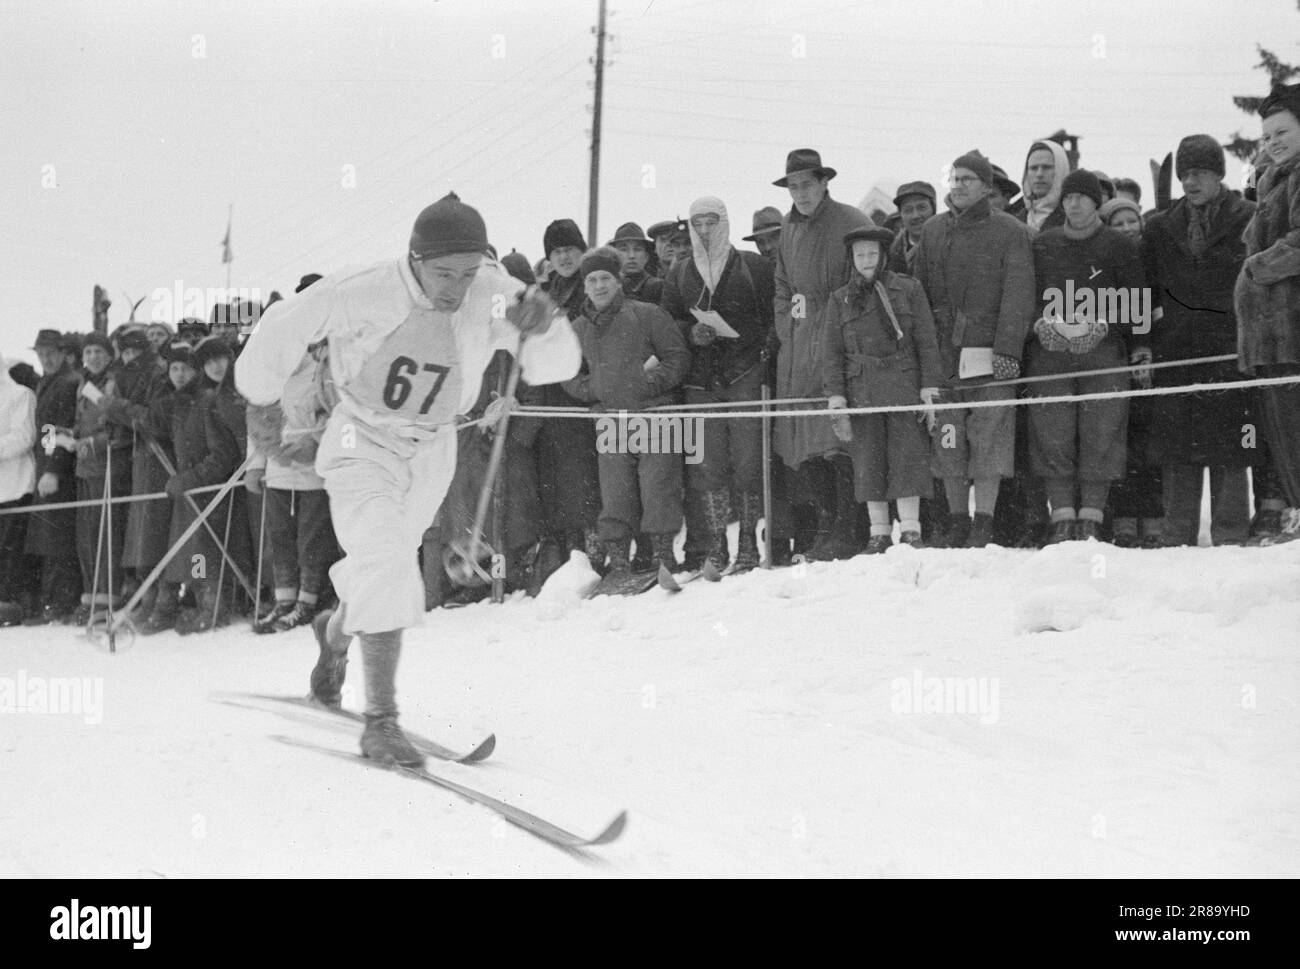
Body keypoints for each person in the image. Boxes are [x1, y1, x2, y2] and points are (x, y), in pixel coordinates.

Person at [236, 192, 579, 767]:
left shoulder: (491, 292)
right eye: (443, 273)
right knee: (389, 560)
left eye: (467, 273)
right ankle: (382, 722)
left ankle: (337, 632)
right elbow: (284, 322)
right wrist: (261, 398)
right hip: (360, 439)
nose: (455, 287)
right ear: (415, 259)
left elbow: (558, 363)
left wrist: (544, 326)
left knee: (382, 565)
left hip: (433, 445)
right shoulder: (365, 287)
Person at [912, 149, 1036, 548]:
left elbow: (1019, 295)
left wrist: (1008, 350)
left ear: (986, 186)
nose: (959, 185)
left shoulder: (1010, 231)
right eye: (955, 178)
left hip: (990, 357)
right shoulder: (932, 231)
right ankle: (956, 521)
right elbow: (919, 295)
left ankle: (984, 522)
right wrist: (928, 353)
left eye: (969, 179)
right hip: (945, 356)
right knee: (948, 438)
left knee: (989, 438)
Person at [1145, 134, 1258, 546]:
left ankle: (1230, 532)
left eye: (1200, 173)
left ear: (1218, 174)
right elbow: (1146, 290)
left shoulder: (1247, 217)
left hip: (1230, 346)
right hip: (1176, 349)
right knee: (1177, 448)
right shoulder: (1159, 228)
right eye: (1185, 174)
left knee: (1231, 445)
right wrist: (1145, 341)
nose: (1191, 182)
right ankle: (1177, 535)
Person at [1026, 170, 1146, 542]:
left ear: (1097, 202)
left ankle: (1091, 515)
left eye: (1081, 197)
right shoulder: (1044, 245)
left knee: (1103, 429)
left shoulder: (1118, 246)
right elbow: (1027, 296)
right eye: (1068, 198)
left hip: (1103, 351)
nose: (1073, 204)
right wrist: (1040, 325)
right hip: (1052, 352)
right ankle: (1061, 514)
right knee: (1051, 431)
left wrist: (1107, 327)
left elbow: (1138, 303)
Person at [661, 196, 775, 572]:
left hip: (745, 374)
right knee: (706, 466)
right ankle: (715, 547)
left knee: (747, 462)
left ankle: (747, 544)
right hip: (700, 382)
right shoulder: (679, 273)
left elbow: (772, 317)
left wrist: (753, 343)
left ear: (725, 222)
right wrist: (691, 332)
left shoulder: (752, 266)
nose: (706, 231)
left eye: (713, 222)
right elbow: (667, 325)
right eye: (699, 224)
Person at [561, 247, 689, 580]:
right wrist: (595, 390)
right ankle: (618, 559)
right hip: (611, 418)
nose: (599, 286)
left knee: (658, 486)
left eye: (606, 278)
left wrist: (649, 383)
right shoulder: (577, 329)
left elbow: (677, 358)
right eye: (592, 280)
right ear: (585, 286)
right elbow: (569, 374)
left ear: (618, 282)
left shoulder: (647, 314)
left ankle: (663, 554)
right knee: (615, 492)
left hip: (654, 414)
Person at [772, 148, 871, 560]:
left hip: (839, 339)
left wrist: (838, 328)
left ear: (824, 182)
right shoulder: (787, 230)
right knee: (806, 439)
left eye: (807, 184)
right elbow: (783, 287)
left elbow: (866, 279)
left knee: (840, 438)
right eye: (793, 186)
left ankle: (852, 527)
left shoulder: (850, 222)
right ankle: (827, 526)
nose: (800, 193)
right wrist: (792, 326)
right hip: (799, 347)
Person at [824, 226, 942, 552]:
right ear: (851, 258)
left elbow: (927, 343)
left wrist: (929, 390)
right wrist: (837, 398)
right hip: (862, 390)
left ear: (884, 255)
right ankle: (878, 532)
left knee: (907, 457)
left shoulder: (908, 289)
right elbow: (831, 354)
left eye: (872, 254)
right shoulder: (839, 299)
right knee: (868, 461)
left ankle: (911, 530)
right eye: (860, 254)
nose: (866, 260)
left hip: (904, 383)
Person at [1235, 85, 1300, 544]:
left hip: (1293, 331)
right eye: (1267, 135)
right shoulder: (1273, 179)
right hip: (1271, 337)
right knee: (1285, 440)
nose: (1273, 141)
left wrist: (1257, 268)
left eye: (1283, 131)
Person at [164, 336, 254, 632]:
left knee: (211, 548)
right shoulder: (193, 400)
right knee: (198, 550)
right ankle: (203, 602)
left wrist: (190, 478)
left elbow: (223, 454)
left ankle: (216, 606)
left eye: (220, 359)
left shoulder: (212, 400)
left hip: (222, 486)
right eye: (208, 362)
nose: (216, 366)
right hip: (202, 488)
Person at [1098, 197, 1162, 546]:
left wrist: (1145, 348)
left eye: (1131, 221)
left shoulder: (1153, 259)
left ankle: (1152, 515)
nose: (1126, 229)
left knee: (1148, 441)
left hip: (1150, 359)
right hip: (1112, 357)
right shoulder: (1106, 263)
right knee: (1117, 441)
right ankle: (1122, 517)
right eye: (1117, 223)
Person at [71, 332, 131, 623]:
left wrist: (93, 443)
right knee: (87, 535)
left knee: (107, 532)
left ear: (110, 355)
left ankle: (108, 596)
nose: (92, 357)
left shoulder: (114, 383)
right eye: (88, 351)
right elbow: (77, 424)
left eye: (98, 351)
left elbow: (122, 432)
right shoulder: (83, 384)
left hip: (109, 468)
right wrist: (61, 439)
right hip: (84, 469)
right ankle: (90, 595)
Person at [23, 331, 83, 624]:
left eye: (51, 354)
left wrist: (53, 469)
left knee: (60, 537)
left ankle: (63, 603)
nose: (45, 359)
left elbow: (63, 431)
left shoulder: (69, 383)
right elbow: (47, 431)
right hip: (45, 466)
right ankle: (54, 601)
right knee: (50, 536)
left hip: (60, 472)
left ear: (63, 353)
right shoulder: (49, 381)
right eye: (41, 354)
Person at [137, 345, 196, 633]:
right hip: (170, 476)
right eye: (174, 368)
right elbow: (151, 421)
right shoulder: (167, 398)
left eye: (185, 368)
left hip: (193, 476)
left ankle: (194, 600)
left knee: (195, 544)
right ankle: (163, 601)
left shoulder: (198, 398)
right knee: (165, 539)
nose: (180, 374)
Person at [0, 352, 37, 626]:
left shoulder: (20, 394)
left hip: (15, 483)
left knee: (12, 548)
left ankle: (10, 603)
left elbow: (25, 436)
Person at [886, 181, 937, 275]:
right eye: (908, 210)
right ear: (900, 215)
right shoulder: (889, 254)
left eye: (922, 207)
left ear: (933, 210)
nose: (915, 216)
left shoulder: (949, 245)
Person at [1020, 139, 1070, 232]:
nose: (1039, 174)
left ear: (1061, 170)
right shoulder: (1013, 221)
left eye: (1046, 167)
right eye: (1033, 168)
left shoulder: (1075, 221)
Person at [608, 222, 663, 304]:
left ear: (646, 257)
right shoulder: (606, 287)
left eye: (637, 249)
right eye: (624, 249)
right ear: (614, 256)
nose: (631, 256)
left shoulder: (658, 288)